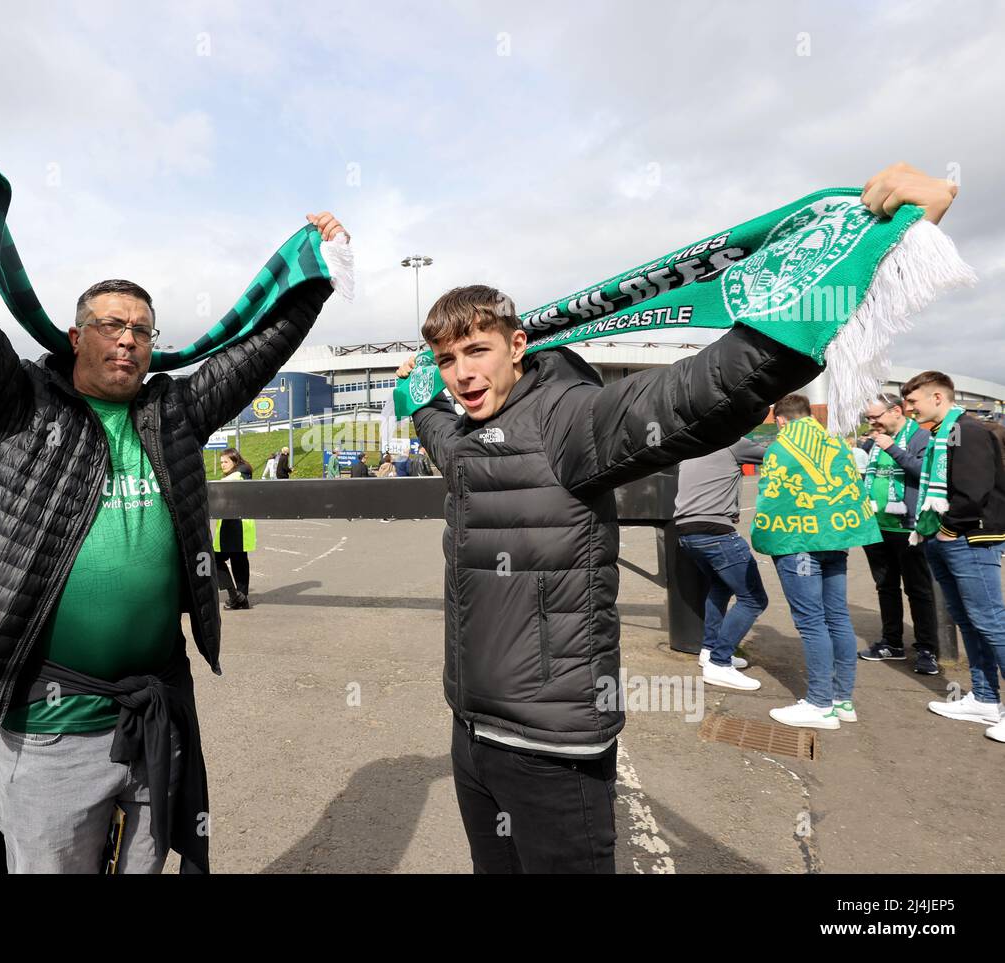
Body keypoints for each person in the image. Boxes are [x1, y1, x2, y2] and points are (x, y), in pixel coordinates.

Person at [397, 157, 957, 875]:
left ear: (518, 346)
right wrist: (418, 396)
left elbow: (709, 387)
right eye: (446, 360)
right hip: (472, 728)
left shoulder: (573, 421)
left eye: (476, 351)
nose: (461, 373)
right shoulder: (465, 438)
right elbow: (433, 425)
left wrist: (883, 242)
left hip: (554, 745)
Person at [0, 88, 346, 874]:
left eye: (143, 328)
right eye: (111, 323)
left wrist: (314, 278)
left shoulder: (173, 412)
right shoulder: (17, 405)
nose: (130, 339)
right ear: (75, 335)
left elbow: (253, 354)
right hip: (52, 725)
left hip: (155, 715)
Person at [753, 394, 881, 729]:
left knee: (811, 622)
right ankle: (842, 700)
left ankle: (819, 703)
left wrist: (766, 538)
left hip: (798, 544)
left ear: (781, 421)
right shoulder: (837, 445)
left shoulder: (780, 449)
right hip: (835, 541)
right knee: (837, 618)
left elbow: (771, 498)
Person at [902, 372, 1005, 742]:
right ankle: (985, 697)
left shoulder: (967, 431)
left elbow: (973, 490)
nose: (909, 409)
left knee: (991, 621)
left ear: (937, 397)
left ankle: (989, 696)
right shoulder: (943, 433)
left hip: (968, 539)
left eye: (914, 402)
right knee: (971, 621)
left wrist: (948, 529)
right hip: (946, 538)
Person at [673, 437, 769, 690]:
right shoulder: (733, 442)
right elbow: (779, 456)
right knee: (754, 599)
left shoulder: (694, 444)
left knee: (720, 587)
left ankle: (709, 650)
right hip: (714, 532)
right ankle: (719, 662)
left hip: (686, 533)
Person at [857, 392, 939, 673]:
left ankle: (927, 649)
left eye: (875, 417)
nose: (872, 422)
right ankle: (891, 643)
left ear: (895, 411)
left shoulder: (919, 438)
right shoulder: (872, 443)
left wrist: (892, 448)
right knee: (886, 587)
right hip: (876, 525)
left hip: (908, 528)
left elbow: (924, 473)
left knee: (918, 589)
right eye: (868, 418)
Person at [212, 448, 256, 610]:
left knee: (215, 558)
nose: (223, 465)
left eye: (226, 461)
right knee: (239, 560)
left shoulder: (239, 474)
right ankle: (242, 598)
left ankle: (234, 594)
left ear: (235, 462)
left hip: (234, 524)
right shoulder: (243, 474)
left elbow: (221, 486)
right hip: (240, 524)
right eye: (221, 462)